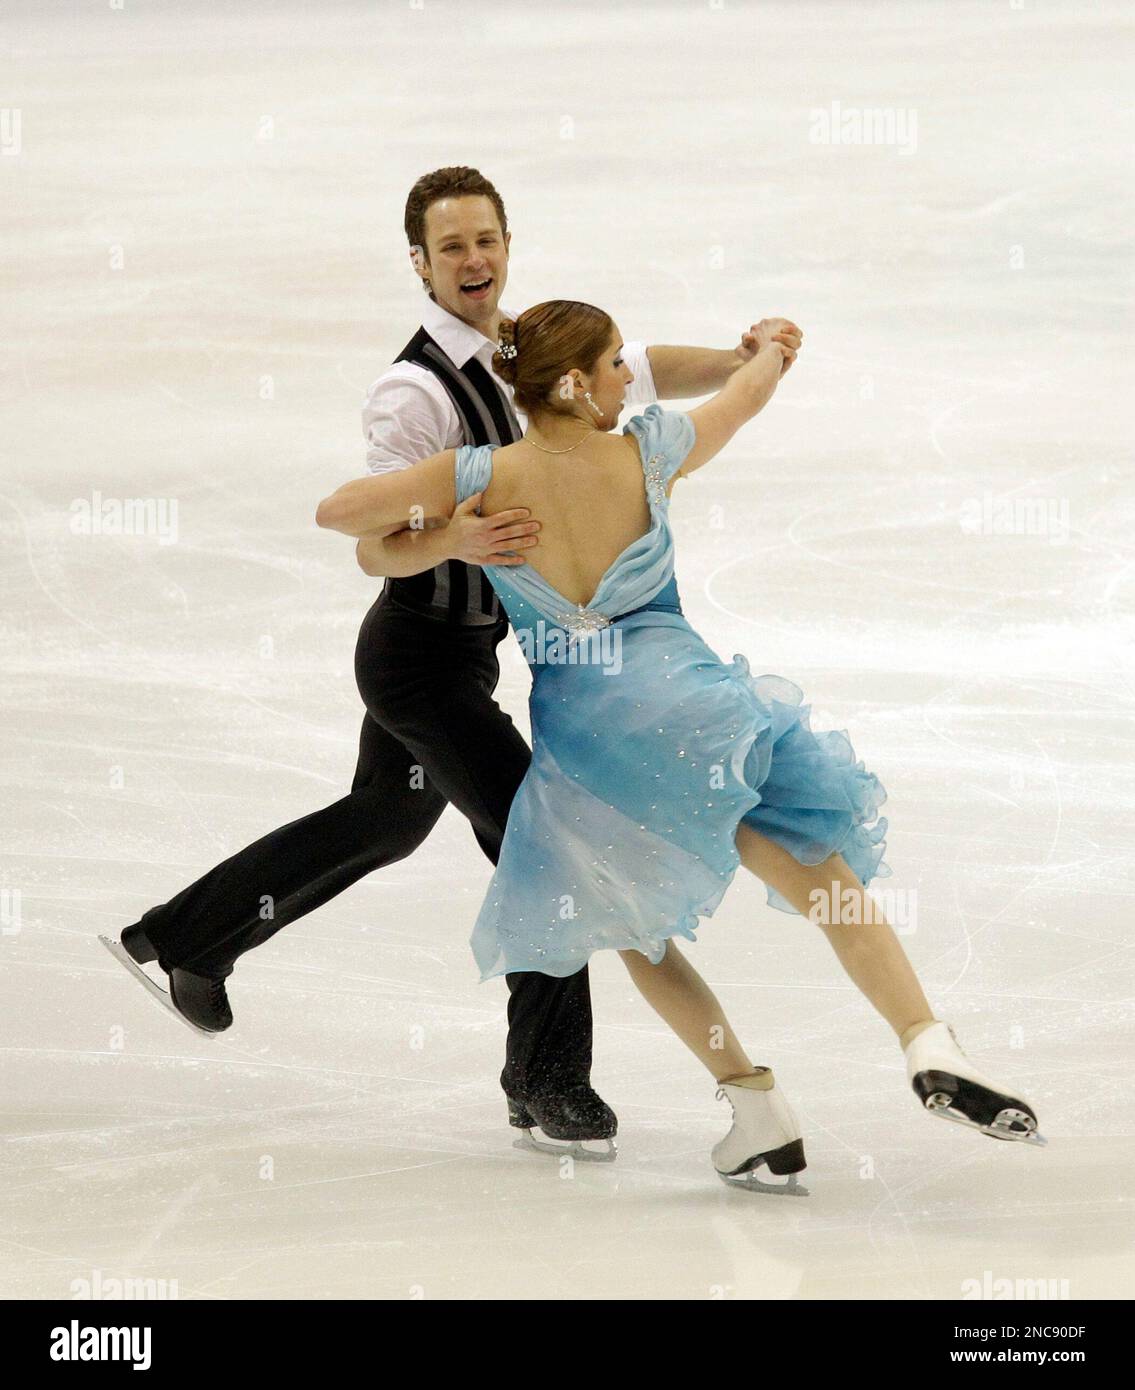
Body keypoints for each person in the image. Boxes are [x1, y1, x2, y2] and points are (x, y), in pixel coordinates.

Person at [103, 166, 789, 1161]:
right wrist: (457, 540)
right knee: (542, 840)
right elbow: (370, 537)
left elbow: (631, 369)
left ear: (506, 246)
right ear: (420, 264)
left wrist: (737, 355)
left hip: (468, 652)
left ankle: (183, 938)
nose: (474, 260)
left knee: (384, 818)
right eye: (452, 247)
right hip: (415, 652)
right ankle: (545, 1080)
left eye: (486, 241)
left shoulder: (529, 349)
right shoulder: (412, 391)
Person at [316, 300, 1048, 1192]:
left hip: (595, 745)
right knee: (819, 876)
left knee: (637, 932)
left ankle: (755, 1109)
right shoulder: (649, 451)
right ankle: (925, 1038)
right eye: (617, 363)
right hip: (697, 706)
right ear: (577, 383)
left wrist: (456, 535)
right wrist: (770, 349)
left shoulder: (481, 472)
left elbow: (344, 516)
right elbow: (744, 399)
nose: (631, 377)